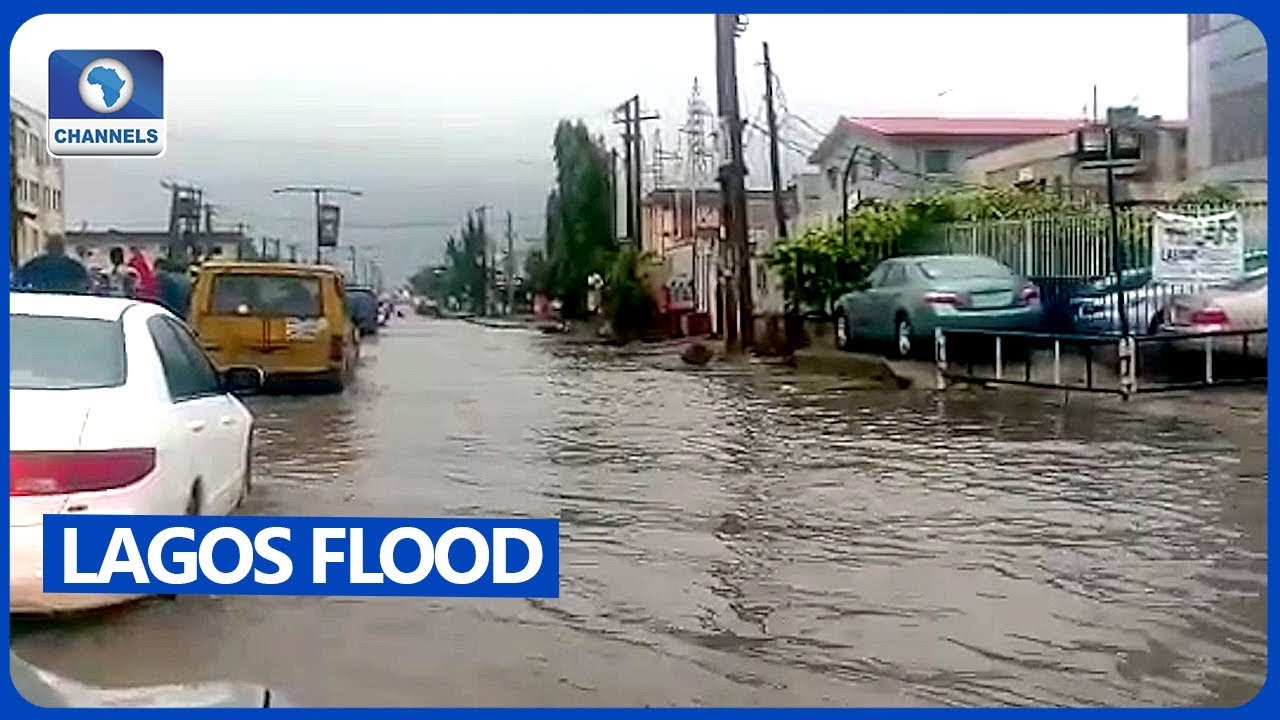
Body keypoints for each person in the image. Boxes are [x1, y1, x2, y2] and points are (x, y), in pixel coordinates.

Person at [12, 236, 92, 294]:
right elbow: (88, 284)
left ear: (47, 247)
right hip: (68, 305)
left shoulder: (35, 264)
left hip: (39, 304)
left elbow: (17, 280)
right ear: (63, 248)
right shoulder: (75, 266)